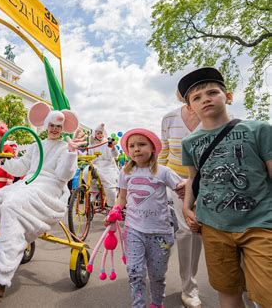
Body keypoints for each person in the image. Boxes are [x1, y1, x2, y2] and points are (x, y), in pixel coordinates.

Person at [0, 102, 83, 298]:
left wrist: (71, 153)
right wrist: (3, 159)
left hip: (50, 188)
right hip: (28, 183)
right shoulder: (36, 145)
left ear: (63, 129)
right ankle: (2, 248)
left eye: (58, 126)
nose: (54, 129)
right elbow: (21, 168)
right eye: (51, 125)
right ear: (46, 125)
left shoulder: (65, 147)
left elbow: (64, 175)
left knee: (12, 203)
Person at [180, 67, 272, 308]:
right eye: (196, 98)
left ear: (228, 96)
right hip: (214, 226)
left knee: (267, 292)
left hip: (260, 224)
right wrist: (186, 206)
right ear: (190, 108)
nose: (205, 99)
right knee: (227, 289)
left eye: (212, 92)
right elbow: (193, 178)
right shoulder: (190, 142)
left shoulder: (258, 129)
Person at [105, 128, 184, 308]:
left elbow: (182, 189)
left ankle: (157, 303)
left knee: (157, 275)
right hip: (133, 230)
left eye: (141, 144)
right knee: (135, 272)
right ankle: (138, 305)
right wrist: (115, 209)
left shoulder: (163, 172)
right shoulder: (125, 172)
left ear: (152, 149)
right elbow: (122, 197)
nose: (136, 149)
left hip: (161, 233)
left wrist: (190, 205)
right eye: (131, 146)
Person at [158, 97, 203, 308]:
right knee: (186, 231)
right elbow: (163, 154)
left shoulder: (216, 115)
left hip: (208, 179)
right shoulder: (169, 119)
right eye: (194, 92)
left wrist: (195, 181)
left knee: (207, 231)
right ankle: (189, 288)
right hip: (176, 183)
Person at [85, 123, 119, 205]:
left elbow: (116, 155)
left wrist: (113, 147)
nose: (100, 135)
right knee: (86, 172)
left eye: (101, 133)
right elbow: (89, 157)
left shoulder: (107, 144)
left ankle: (112, 205)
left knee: (110, 187)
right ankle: (94, 192)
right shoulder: (90, 145)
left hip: (108, 166)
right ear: (94, 134)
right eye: (98, 133)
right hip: (95, 165)